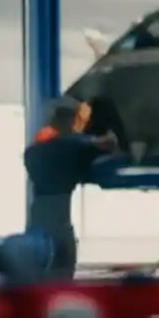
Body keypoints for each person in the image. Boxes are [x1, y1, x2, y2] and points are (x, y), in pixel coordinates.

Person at [24, 97, 118, 279]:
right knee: (61, 279)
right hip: (58, 227)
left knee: (39, 281)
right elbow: (108, 144)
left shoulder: (32, 153)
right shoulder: (70, 146)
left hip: (36, 226)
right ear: (70, 120)